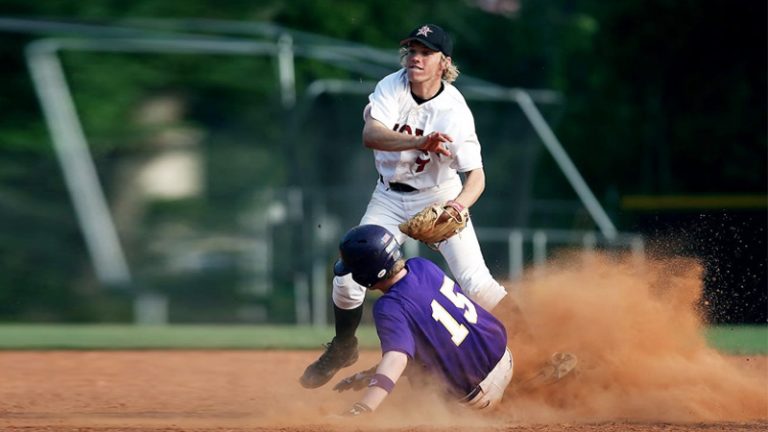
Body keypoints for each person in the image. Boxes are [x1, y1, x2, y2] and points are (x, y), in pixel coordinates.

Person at [300, 23, 528, 389]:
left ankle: (534, 346)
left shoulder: (455, 111)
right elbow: (370, 135)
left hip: (438, 196)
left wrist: (456, 208)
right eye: (412, 51)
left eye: (425, 53)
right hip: (388, 198)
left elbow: (477, 178)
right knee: (346, 275)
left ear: (444, 63)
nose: (416, 58)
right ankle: (343, 345)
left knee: (476, 283)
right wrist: (423, 141)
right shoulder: (392, 86)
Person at [329, 224, 514, 414]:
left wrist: (364, 407)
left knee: (421, 382)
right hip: (505, 359)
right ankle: (516, 393)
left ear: (365, 275)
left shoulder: (388, 306)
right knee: (423, 350)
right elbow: (434, 339)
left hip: (478, 396)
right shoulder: (421, 265)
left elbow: (397, 359)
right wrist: (370, 375)